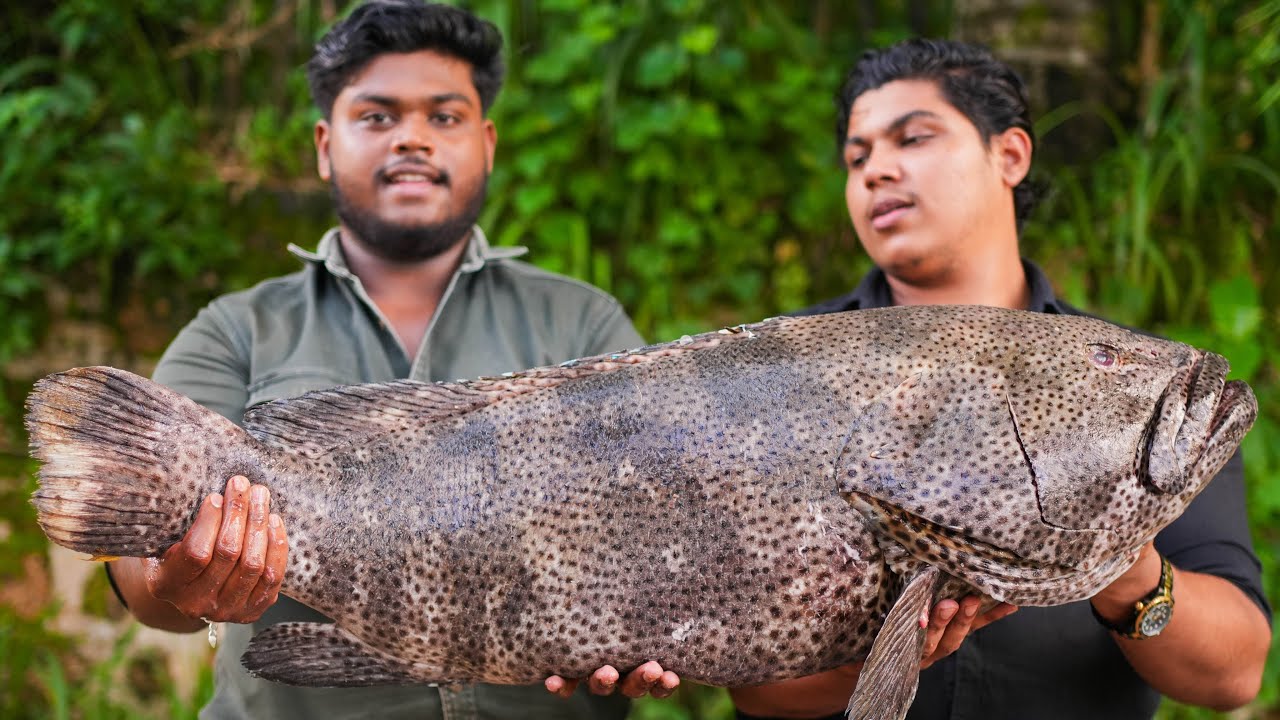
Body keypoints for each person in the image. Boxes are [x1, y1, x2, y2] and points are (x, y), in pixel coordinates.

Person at [102, 1, 679, 717]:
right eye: (377, 117)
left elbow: (654, 524)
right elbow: (137, 570)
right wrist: (172, 581)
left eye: (444, 117)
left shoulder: (584, 322)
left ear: (488, 142)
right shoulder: (234, 332)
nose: (412, 138)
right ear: (323, 143)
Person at [730, 38, 1271, 720]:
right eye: (857, 158)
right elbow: (759, 690)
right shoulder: (782, 374)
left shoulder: (1139, 388)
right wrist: (895, 654)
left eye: (913, 138)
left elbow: (1235, 674)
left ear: (1010, 155)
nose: (876, 172)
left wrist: (1120, 565)